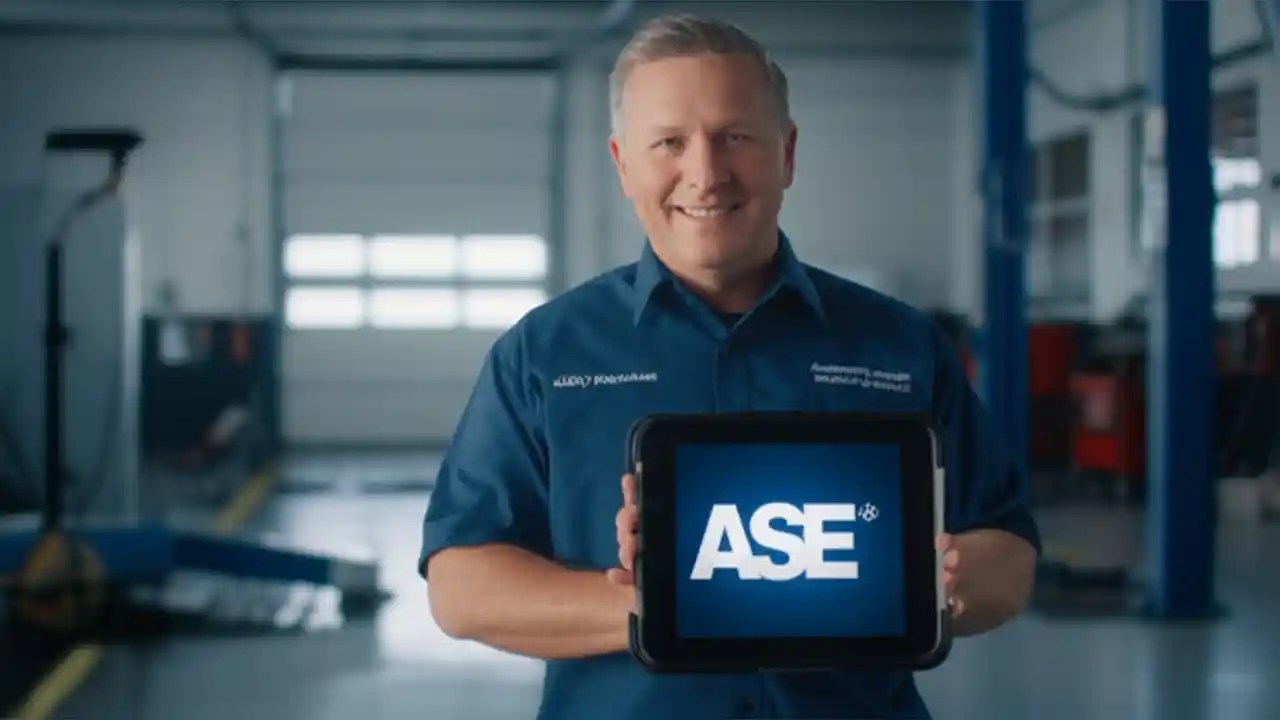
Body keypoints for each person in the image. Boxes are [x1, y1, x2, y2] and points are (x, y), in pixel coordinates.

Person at [420, 13, 1040, 720]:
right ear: (624, 164)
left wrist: (935, 583)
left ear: (788, 154)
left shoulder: (897, 346)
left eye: (734, 137)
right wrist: (661, 602)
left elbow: (1008, 549)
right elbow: (460, 585)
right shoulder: (545, 354)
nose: (705, 174)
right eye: (669, 143)